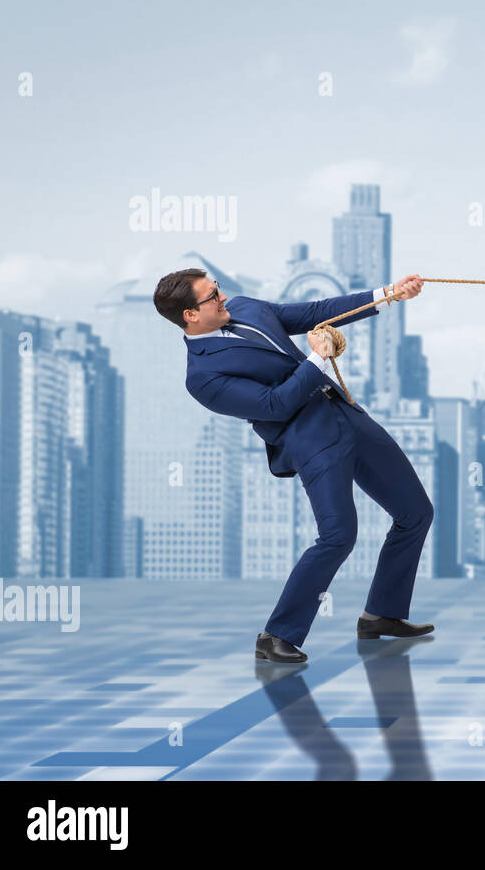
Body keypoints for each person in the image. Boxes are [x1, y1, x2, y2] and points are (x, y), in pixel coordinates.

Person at [153, 268, 435, 663]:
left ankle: (382, 614)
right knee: (338, 535)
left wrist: (388, 294)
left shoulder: (245, 307)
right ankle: (276, 636)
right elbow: (275, 405)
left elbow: (314, 312)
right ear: (190, 316)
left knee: (416, 512)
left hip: (346, 414)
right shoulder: (202, 377)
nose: (222, 298)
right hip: (310, 440)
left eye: (217, 289)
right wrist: (318, 357)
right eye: (211, 297)